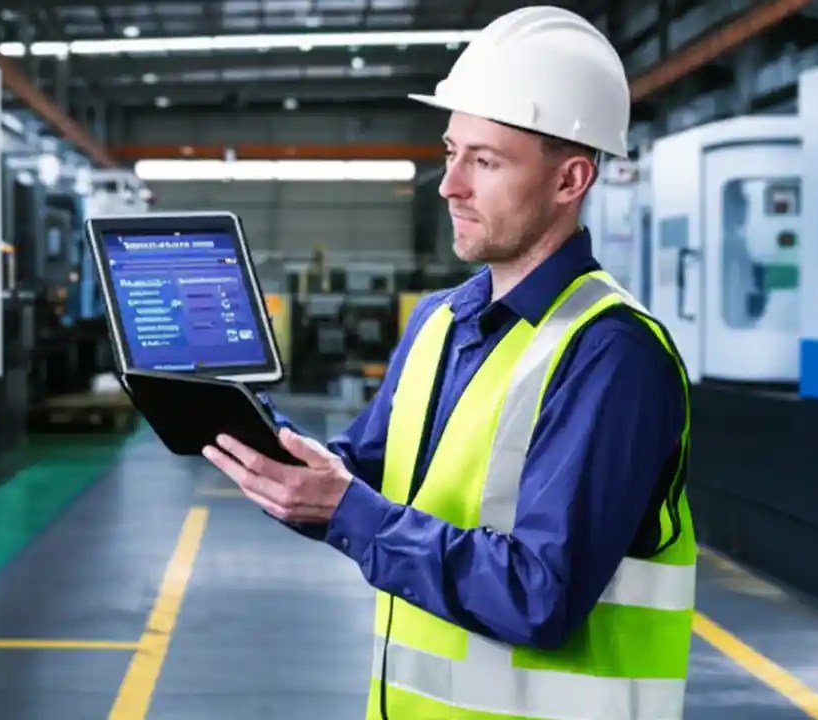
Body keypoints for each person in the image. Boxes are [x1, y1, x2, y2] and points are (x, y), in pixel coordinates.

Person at [201, 6, 695, 719]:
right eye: (450, 152)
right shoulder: (441, 323)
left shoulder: (611, 353)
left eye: (485, 161)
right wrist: (241, 424)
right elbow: (360, 482)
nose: (449, 185)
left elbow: (538, 595)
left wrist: (347, 508)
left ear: (570, 180)